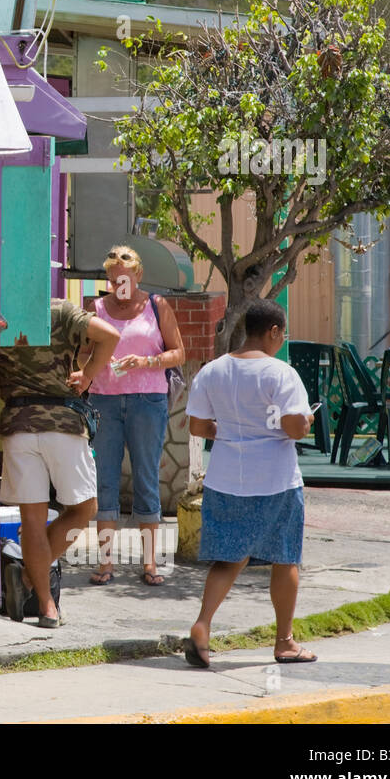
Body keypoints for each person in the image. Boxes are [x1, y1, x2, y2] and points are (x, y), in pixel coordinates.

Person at [183, 299, 316, 669]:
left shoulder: (212, 371)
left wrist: (228, 430)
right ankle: (285, 642)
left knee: (228, 558)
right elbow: (294, 428)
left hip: (226, 478)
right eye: (282, 334)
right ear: (273, 331)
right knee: (284, 558)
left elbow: (197, 427)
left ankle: (203, 624)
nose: (282, 340)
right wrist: (305, 422)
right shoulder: (281, 373)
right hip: (275, 480)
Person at [0, 298, 120, 627]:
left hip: (17, 424)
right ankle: (27, 580)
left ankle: (45, 603)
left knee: (33, 521)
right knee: (84, 509)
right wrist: (88, 375)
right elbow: (109, 335)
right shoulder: (58, 309)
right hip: (63, 424)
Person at [86, 244, 185, 587]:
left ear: (138, 275)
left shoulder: (157, 306)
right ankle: (104, 562)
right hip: (104, 401)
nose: (119, 286)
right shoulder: (95, 307)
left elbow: (179, 353)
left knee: (146, 478)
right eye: (113, 280)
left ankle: (150, 563)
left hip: (148, 400)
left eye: (124, 279)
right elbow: (83, 352)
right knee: (105, 481)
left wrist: (146, 362)